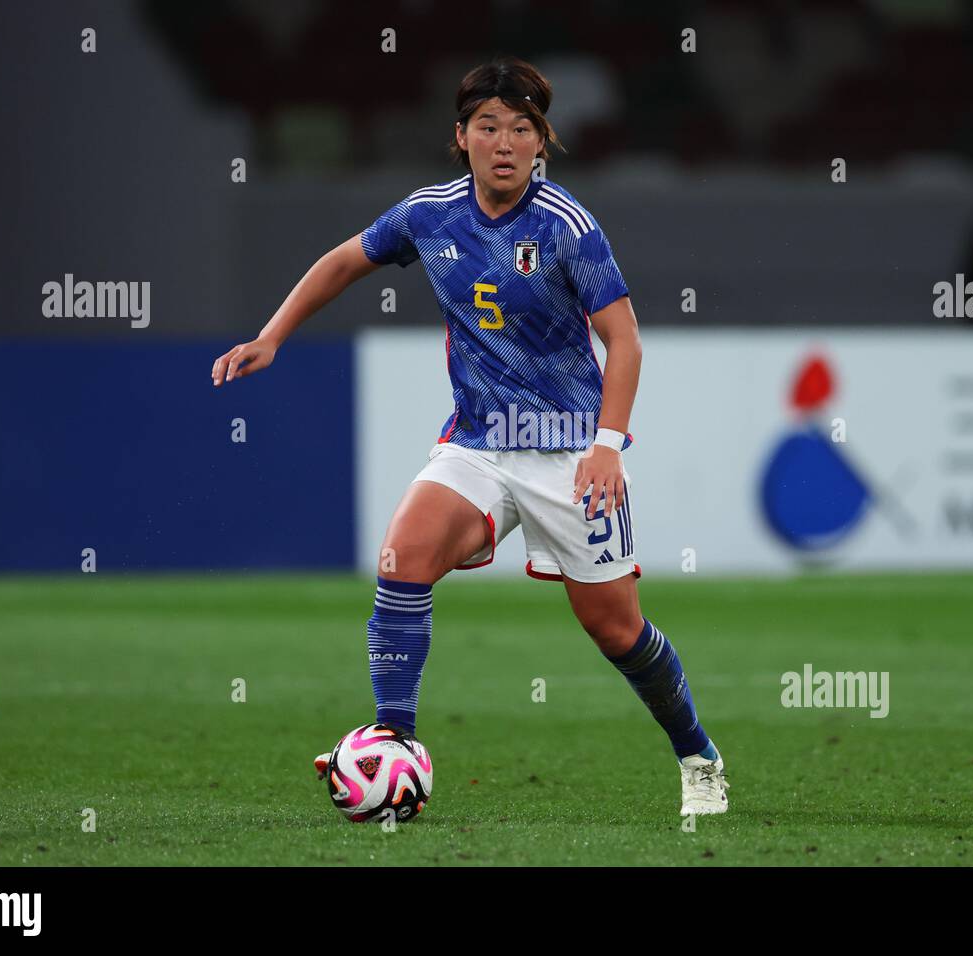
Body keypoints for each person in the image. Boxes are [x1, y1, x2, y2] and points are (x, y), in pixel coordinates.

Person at [211, 56, 727, 816]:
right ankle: (394, 741)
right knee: (403, 554)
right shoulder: (429, 214)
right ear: (462, 138)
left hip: (570, 452)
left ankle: (698, 755)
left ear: (541, 143)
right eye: (489, 127)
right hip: (478, 444)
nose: (505, 142)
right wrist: (273, 335)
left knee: (616, 630)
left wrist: (608, 445)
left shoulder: (567, 226)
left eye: (522, 129)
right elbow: (343, 262)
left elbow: (625, 340)